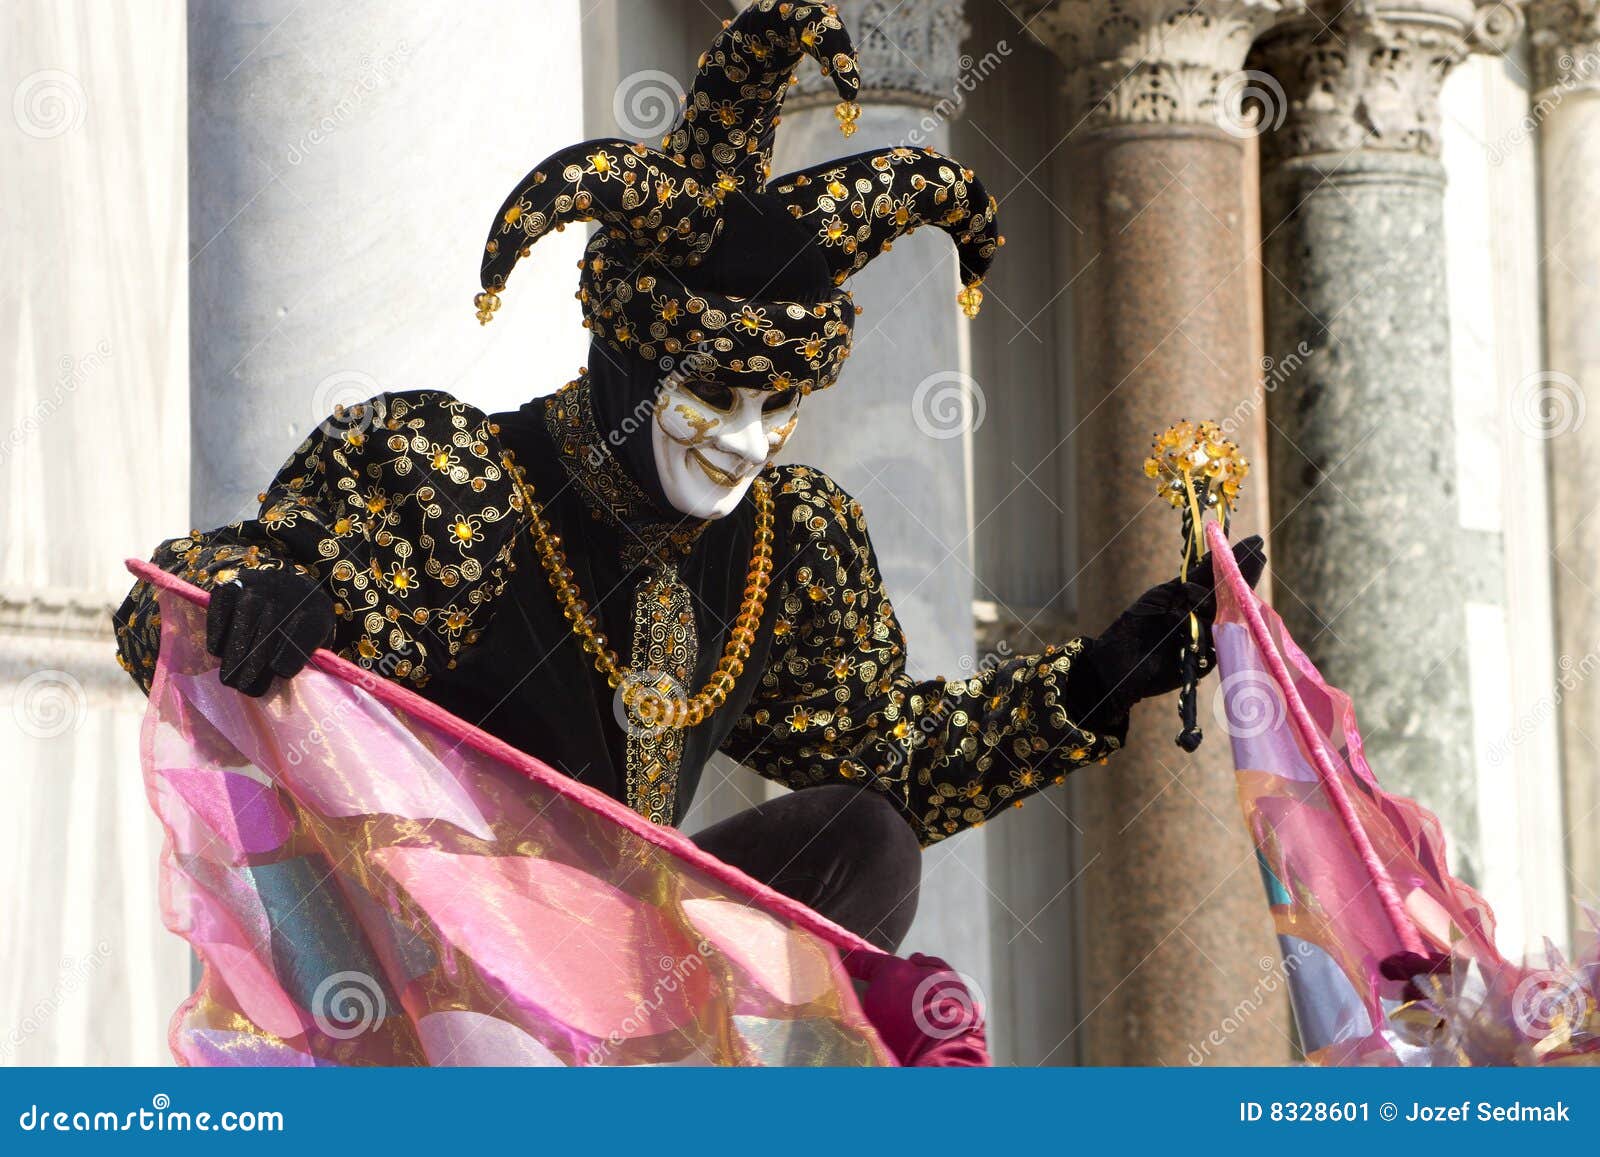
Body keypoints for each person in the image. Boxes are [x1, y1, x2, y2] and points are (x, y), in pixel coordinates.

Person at [113, 0, 1263, 957]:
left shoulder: (777, 544)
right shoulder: (462, 486)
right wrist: (252, 604)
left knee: (863, 837)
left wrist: (1096, 681)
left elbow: (892, 765)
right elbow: (178, 603)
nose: (745, 443)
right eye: (713, 396)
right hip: (439, 968)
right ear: (625, 359)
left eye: (778, 406)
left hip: (633, 976)